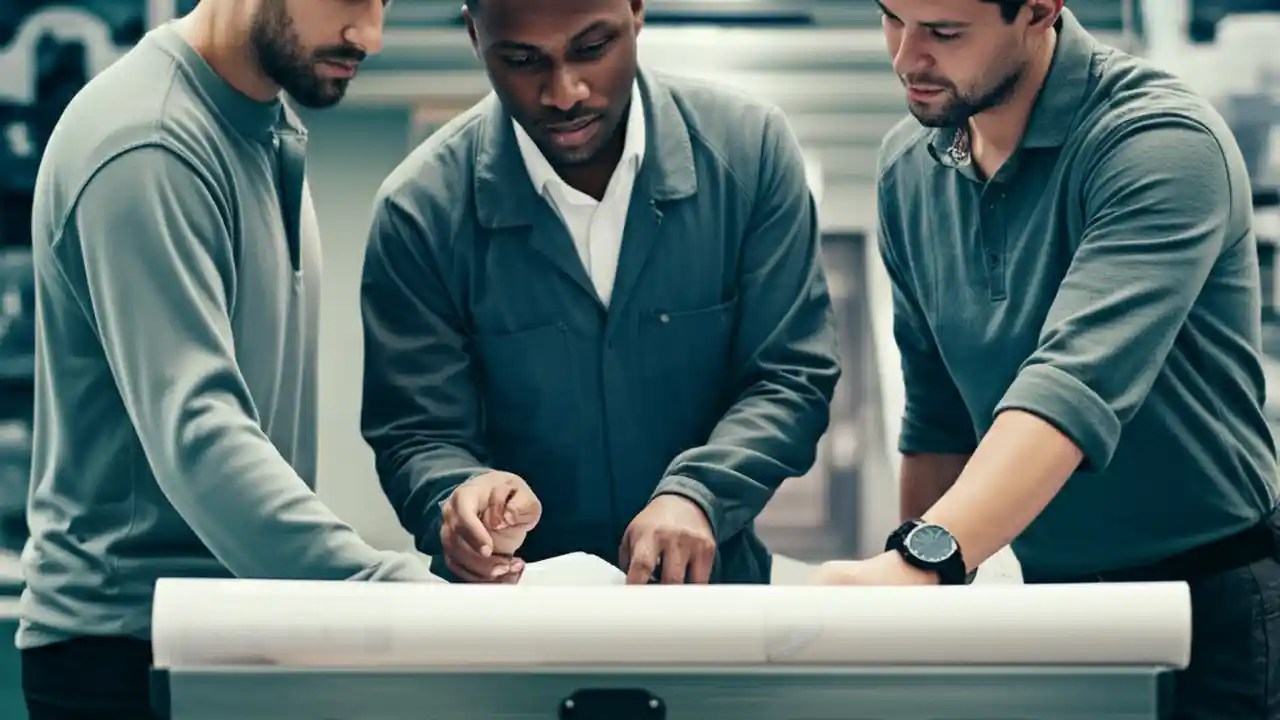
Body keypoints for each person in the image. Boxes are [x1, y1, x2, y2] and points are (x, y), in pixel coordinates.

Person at [15, 0, 516, 717]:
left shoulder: (261, 123)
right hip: (129, 655)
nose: (369, 34)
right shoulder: (149, 143)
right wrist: (397, 596)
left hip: (221, 633)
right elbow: (202, 436)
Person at [811, 0, 1280, 716]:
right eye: (892, 18)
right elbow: (937, 415)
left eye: (943, 32)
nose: (907, 57)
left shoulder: (1158, 141)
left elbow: (1071, 384)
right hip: (1057, 603)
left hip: (1213, 605)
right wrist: (909, 617)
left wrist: (925, 562)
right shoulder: (910, 167)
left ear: (1039, 10)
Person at [359, 0, 840, 586]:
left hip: (710, 604)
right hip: (508, 619)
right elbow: (417, 433)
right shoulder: (419, 210)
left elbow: (791, 375)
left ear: (637, 9)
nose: (564, 92)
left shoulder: (751, 152)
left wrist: (699, 495)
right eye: (521, 59)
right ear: (473, 34)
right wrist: (460, 497)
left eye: (591, 48)